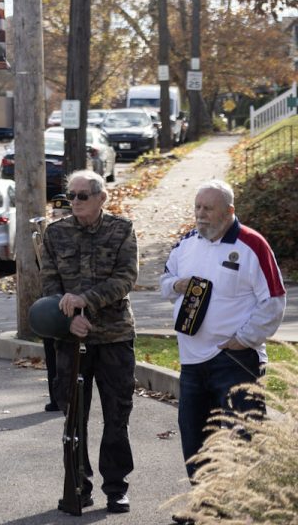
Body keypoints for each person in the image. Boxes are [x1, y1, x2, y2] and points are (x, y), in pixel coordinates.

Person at [159, 180, 287, 476]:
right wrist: (177, 284)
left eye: (208, 208)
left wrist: (244, 339)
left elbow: (274, 300)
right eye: (197, 207)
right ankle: (203, 507)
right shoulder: (186, 243)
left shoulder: (252, 244)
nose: (200, 214)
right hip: (191, 361)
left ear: (229, 211)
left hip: (234, 360)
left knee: (242, 438)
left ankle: (240, 511)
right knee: (195, 437)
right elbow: (165, 282)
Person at [39, 169, 138, 515]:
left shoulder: (121, 230)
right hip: (70, 339)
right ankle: (78, 487)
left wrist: (86, 301)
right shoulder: (54, 233)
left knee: (116, 416)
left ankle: (116, 488)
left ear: (101, 198)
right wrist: (68, 316)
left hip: (114, 337)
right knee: (73, 419)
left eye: (83, 195)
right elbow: (49, 283)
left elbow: (126, 278)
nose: (76, 202)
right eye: (71, 196)